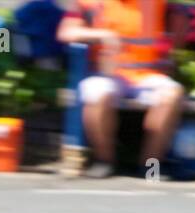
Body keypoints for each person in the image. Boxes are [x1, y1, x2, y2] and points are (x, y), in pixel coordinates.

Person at [58, 0, 188, 177]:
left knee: (172, 95)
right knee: (97, 94)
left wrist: (171, 52)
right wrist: (103, 34)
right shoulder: (90, 3)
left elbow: (182, 22)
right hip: (106, 73)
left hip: (148, 75)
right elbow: (66, 32)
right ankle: (105, 161)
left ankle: (150, 166)